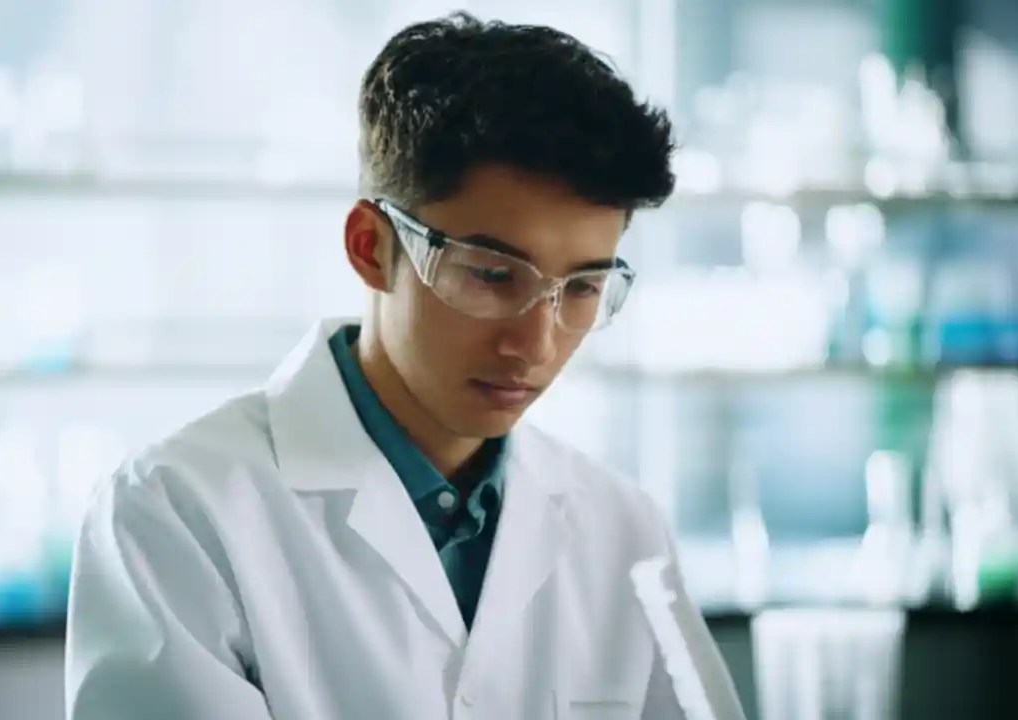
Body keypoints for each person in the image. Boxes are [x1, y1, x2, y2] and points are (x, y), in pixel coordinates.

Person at [66, 12, 744, 720]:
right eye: (491, 274)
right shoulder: (178, 513)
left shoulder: (621, 528)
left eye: (581, 289)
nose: (536, 344)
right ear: (369, 245)